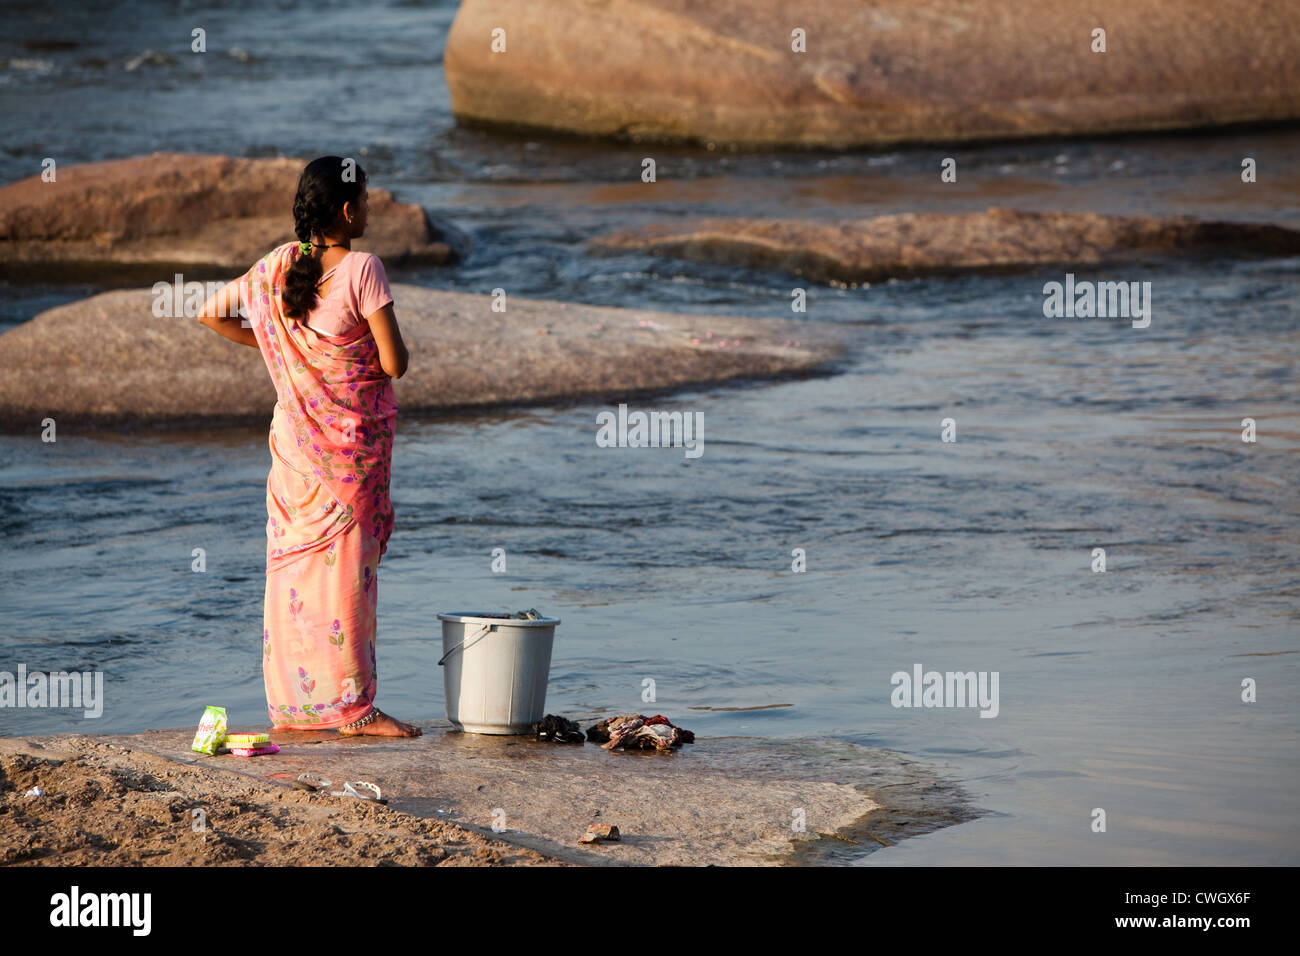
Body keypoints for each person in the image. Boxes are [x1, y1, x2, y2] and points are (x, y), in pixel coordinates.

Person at [197, 155, 419, 737]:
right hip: (347, 452)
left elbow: (209, 313)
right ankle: (354, 710)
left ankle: (296, 708)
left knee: (294, 575)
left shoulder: (276, 265)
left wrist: (282, 351)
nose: (369, 210)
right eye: (366, 201)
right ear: (347, 210)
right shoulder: (363, 269)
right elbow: (394, 363)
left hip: (295, 448)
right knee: (347, 574)